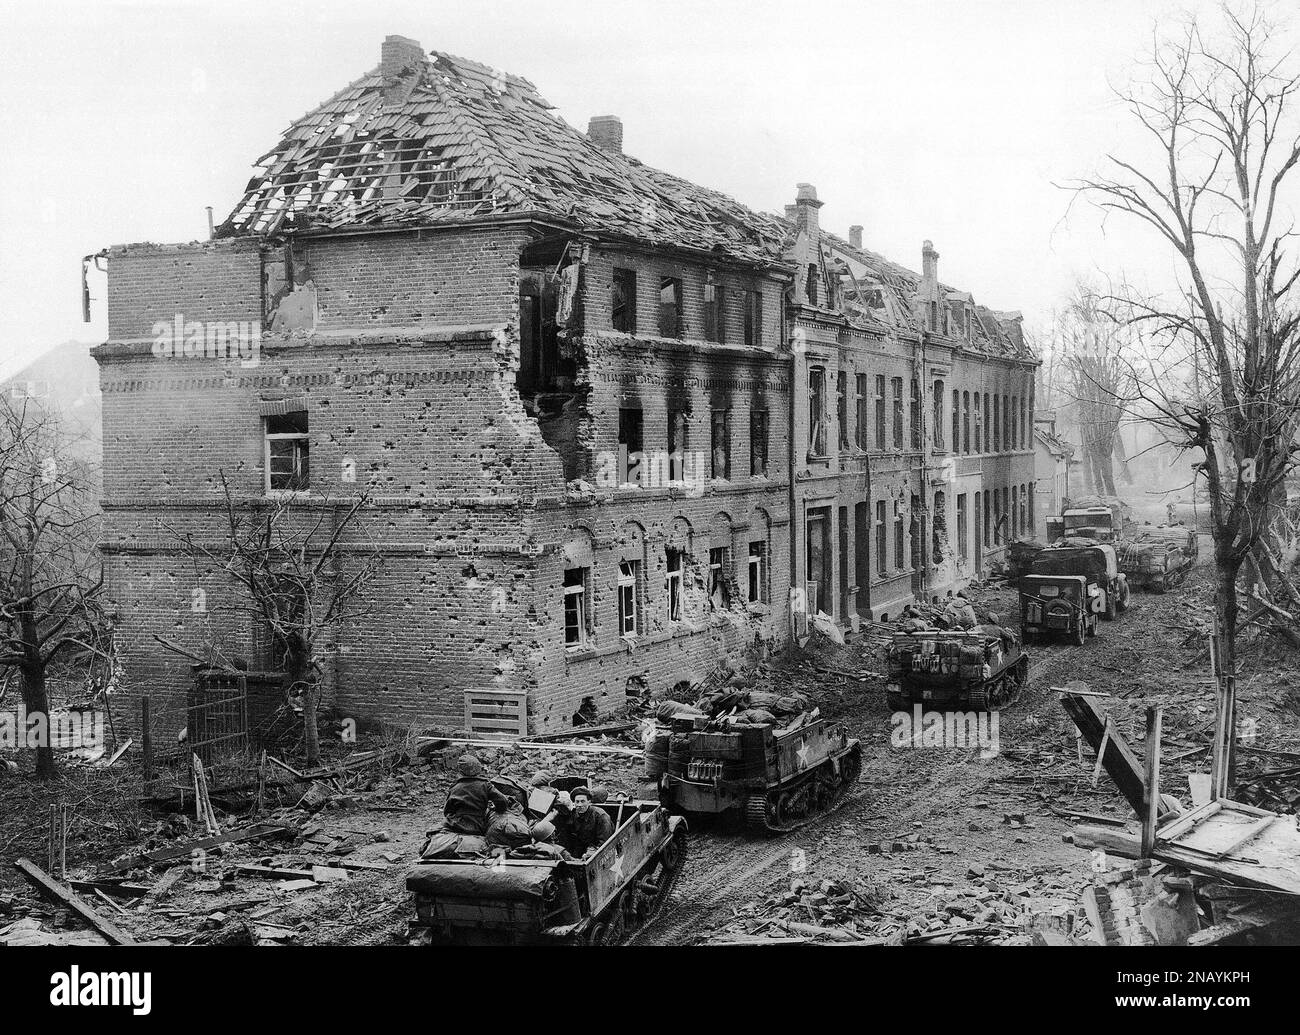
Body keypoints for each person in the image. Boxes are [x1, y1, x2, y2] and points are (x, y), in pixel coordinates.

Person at [443, 754, 509, 835]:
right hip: (477, 826)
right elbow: (502, 801)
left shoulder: (455, 787)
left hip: (455, 825)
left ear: (460, 771)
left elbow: (447, 811)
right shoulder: (485, 785)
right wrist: (497, 809)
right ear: (478, 769)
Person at [558, 785, 613, 859]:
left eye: (583, 801)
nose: (580, 805)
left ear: (589, 802)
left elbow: (604, 842)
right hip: (580, 847)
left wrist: (590, 853)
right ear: (574, 803)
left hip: (596, 848)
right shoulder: (572, 814)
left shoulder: (600, 816)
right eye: (577, 802)